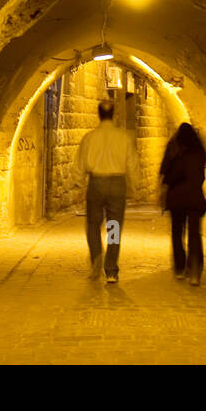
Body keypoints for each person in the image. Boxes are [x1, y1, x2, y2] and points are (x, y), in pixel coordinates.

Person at [72, 100, 140, 283]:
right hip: (117, 184)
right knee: (114, 226)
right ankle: (111, 270)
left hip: (96, 182)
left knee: (93, 224)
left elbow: (79, 164)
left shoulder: (89, 137)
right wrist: (134, 187)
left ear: (98, 114)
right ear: (114, 114)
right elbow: (132, 164)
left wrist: (78, 186)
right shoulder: (124, 137)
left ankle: (96, 257)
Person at [159, 123, 206, 285]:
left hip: (177, 198)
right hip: (195, 197)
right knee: (195, 234)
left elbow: (166, 172)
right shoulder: (199, 152)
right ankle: (195, 270)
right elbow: (202, 172)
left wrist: (163, 191)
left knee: (177, 232)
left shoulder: (175, 150)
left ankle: (180, 267)